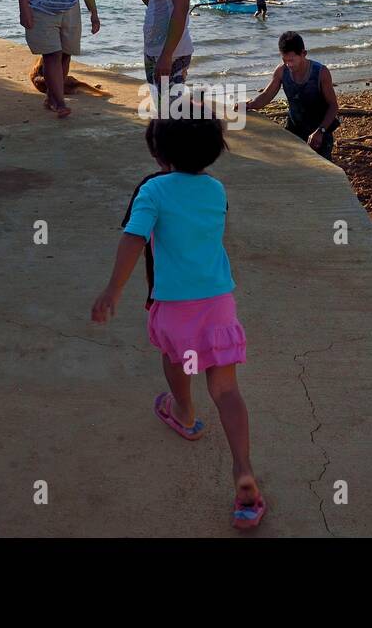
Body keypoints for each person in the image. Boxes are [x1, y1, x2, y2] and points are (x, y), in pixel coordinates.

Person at [90, 117, 265, 529]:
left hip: (174, 304)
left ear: (157, 154)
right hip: (218, 301)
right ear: (212, 152)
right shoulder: (216, 189)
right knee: (226, 390)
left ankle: (183, 412)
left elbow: (134, 237)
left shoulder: (152, 190)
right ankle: (243, 470)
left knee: (176, 358)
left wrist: (112, 291)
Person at [244, 31, 339, 159]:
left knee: (321, 169)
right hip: (294, 128)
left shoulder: (321, 73)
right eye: (285, 60)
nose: (289, 64)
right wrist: (249, 105)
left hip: (320, 130)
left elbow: (333, 106)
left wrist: (320, 131)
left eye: (292, 60)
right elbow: (267, 95)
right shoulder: (281, 71)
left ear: (303, 54)